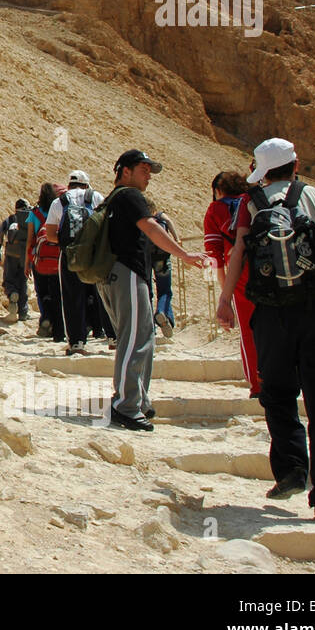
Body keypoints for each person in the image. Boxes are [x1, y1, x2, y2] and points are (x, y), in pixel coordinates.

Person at [216, 137, 315, 523]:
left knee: (277, 393)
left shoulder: (252, 203)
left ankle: (290, 471)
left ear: (263, 171)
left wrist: (224, 300)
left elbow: (238, 251)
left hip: (271, 312)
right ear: (296, 164)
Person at [102, 149, 213, 431]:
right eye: (143, 169)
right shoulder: (130, 196)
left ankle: (137, 399)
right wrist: (184, 254)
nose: (148, 175)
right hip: (127, 272)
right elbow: (150, 228)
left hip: (117, 274)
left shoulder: (113, 199)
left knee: (142, 336)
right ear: (124, 170)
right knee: (135, 339)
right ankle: (125, 405)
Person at [205, 171, 259, 396]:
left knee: (249, 330)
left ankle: (257, 384)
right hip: (271, 267)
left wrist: (225, 294)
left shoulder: (216, 209)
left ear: (218, 190)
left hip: (241, 273)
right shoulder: (256, 201)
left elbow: (215, 256)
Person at [45, 170, 105, 356]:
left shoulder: (59, 202)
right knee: (102, 293)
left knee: (72, 297)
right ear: (86, 185)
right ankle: (112, 336)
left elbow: (50, 235)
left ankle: (77, 341)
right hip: (93, 255)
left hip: (69, 255)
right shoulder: (96, 197)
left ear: (69, 185)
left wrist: (69, 244)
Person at [25, 183, 66, 342]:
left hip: (39, 260)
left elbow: (30, 240)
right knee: (58, 294)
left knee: (42, 292)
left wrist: (28, 262)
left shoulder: (34, 213)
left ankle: (46, 318)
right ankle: (58, 328)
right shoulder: (59, 210)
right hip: (58, 259)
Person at [0, 199, 31, 321]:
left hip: (11, 254)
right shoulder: (29, 220)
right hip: (25, 255)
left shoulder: (9, 220)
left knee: (9, 279)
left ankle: (12, 293)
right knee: (23, 281)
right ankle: (23, 312)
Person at [150, 206, 178, 337]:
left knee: (147, 293)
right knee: (165, 291)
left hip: (147, 258)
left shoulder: (143, 219)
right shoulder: (160, 215)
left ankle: (155, 326)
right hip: (163, 257)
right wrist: (176, 238)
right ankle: (161, 312)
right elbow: (169, 222)